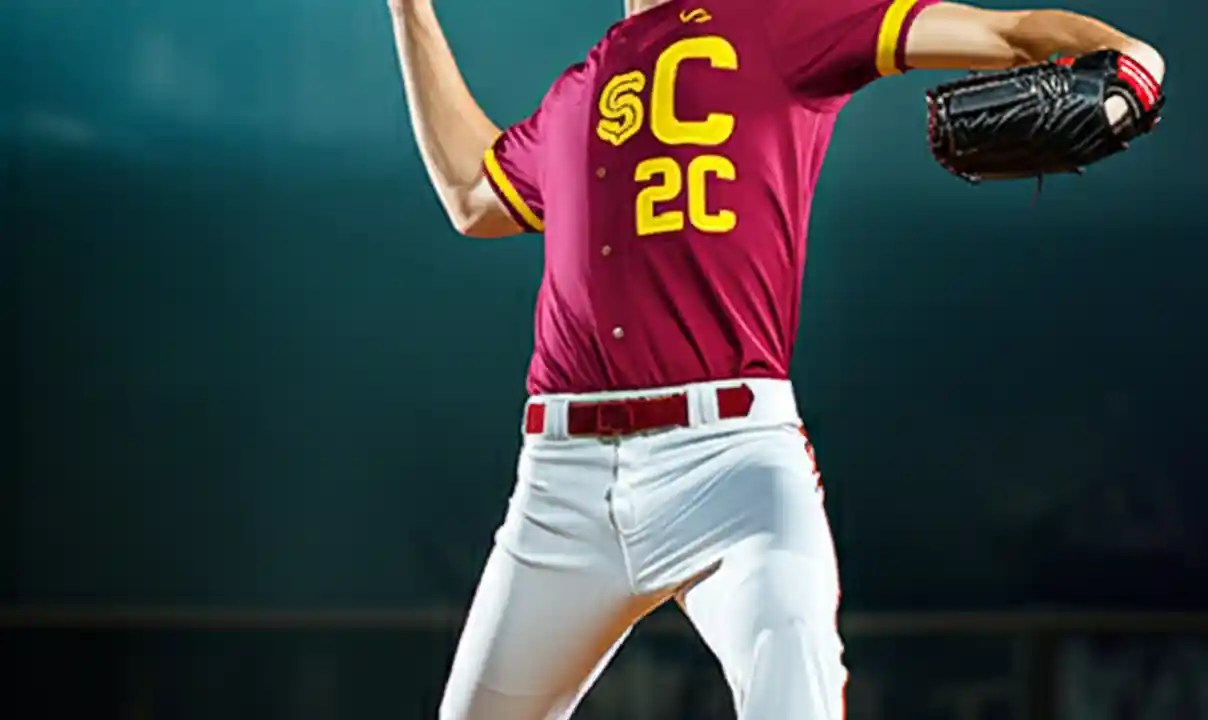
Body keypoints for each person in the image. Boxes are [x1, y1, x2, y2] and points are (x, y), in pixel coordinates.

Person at [388, 1, 1165, 718]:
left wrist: (1135, 62)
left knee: (795, 689)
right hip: (561, 483)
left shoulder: (778, 22)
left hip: (727, 465)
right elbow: (471, 193)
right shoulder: (579, 91)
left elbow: (1007, 34)